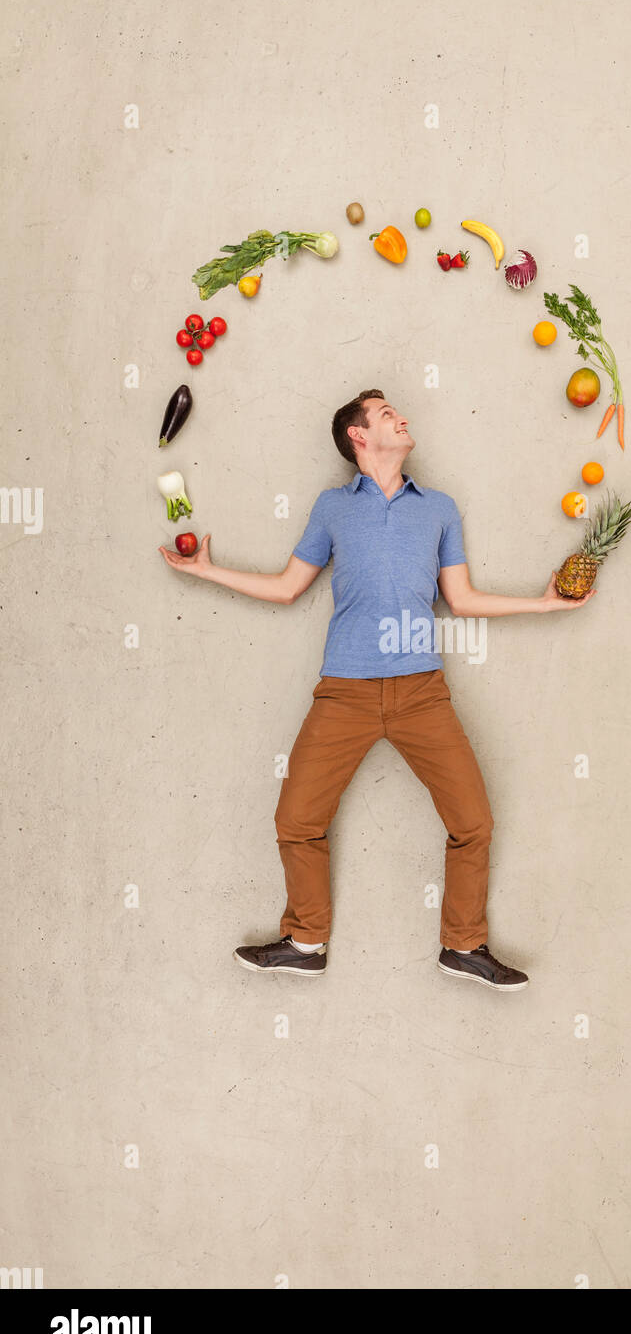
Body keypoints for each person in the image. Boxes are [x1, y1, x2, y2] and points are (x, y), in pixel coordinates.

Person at [158, 389, 595, 991]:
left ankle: (463, 947)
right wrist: (208, 571)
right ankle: (306, 941)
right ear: (359, 437)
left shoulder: (439, 508)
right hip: (346, 692)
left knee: (474, 821)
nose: (403, 418)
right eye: (388, 413)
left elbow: (461, 599)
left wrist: (544, 603)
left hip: (422, 693)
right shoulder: (333, 508)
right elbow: (289, 588)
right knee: (296, 819)